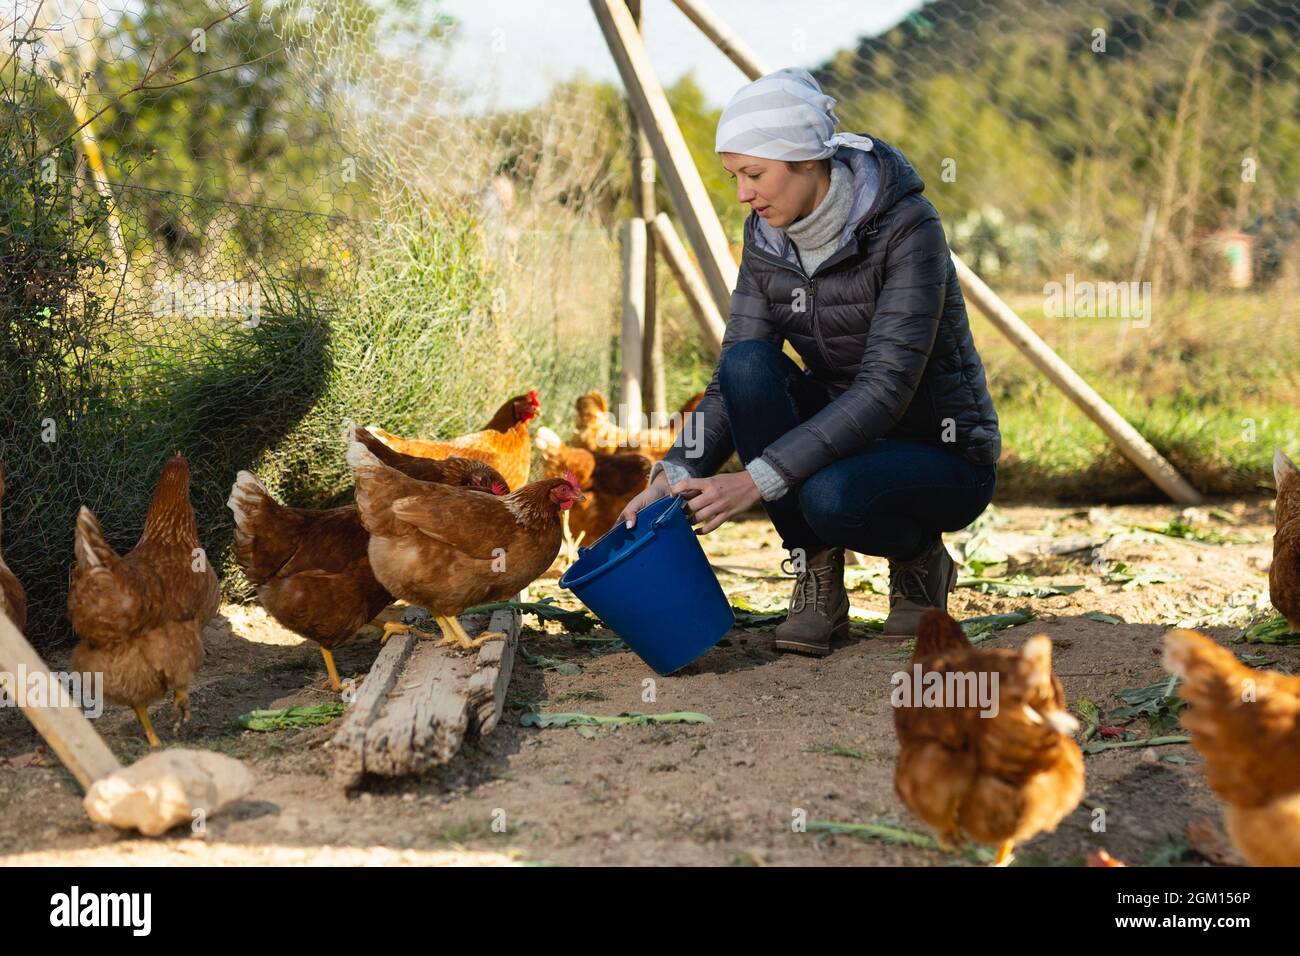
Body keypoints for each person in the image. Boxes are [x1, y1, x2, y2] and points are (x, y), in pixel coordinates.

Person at [619, 67, 1000, 657]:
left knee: (828, 498)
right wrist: (676, 467)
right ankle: (817, 575)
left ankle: (920, 558)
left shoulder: (906, 228)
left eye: (754, 174)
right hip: (841, 442)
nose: (743, 193)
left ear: (804, 161)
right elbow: (733, 375)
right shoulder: (766, 239)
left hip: (939, 449)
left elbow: (884, 390)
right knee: (748, 365)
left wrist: (756, 479)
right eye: (735, 177)